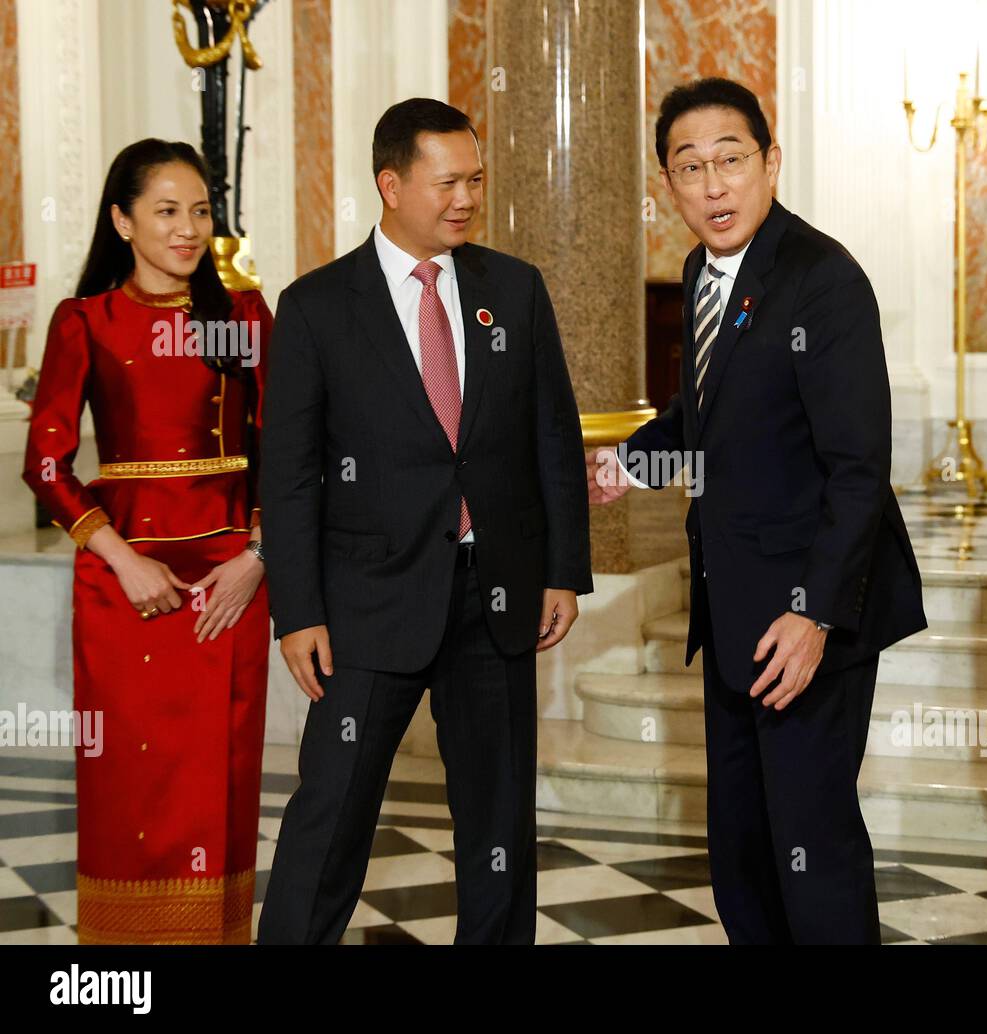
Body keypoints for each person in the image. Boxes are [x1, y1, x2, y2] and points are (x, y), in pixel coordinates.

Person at [587, 78, 926, 944]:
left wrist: (811, 615)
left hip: (810, 614)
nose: (712, 186)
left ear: (770, 162)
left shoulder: (822, 281)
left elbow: (858, 471)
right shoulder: (705, 271)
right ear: (667, 183)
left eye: (730, 160)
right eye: (688, 167)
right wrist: (631, 461)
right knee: (741, 844)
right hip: (734, 607)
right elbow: (707, 419)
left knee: (810, 844)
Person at [256, 98, 592, 945]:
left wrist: (562, 568)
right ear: (391, 184)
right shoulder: (316, 307)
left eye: (476, 180)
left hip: (496, 598)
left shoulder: (512, 289)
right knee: (329, 818)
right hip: (366, 606)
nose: (467, 199)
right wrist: (296, 612)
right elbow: (288, 477)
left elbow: (553, 434)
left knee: (498, 824)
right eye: (448, 182)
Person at [22, 139, 272, 943]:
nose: (188, 228)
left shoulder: (239, 318)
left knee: (220, 781)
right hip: (125, 583)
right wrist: (122, 559)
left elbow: (279, 445)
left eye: (200, 210)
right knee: (131, 781)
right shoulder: (85, 320)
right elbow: (47, 461)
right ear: (122, 220)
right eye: (166, 211)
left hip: (231, 580)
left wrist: (257, 558)